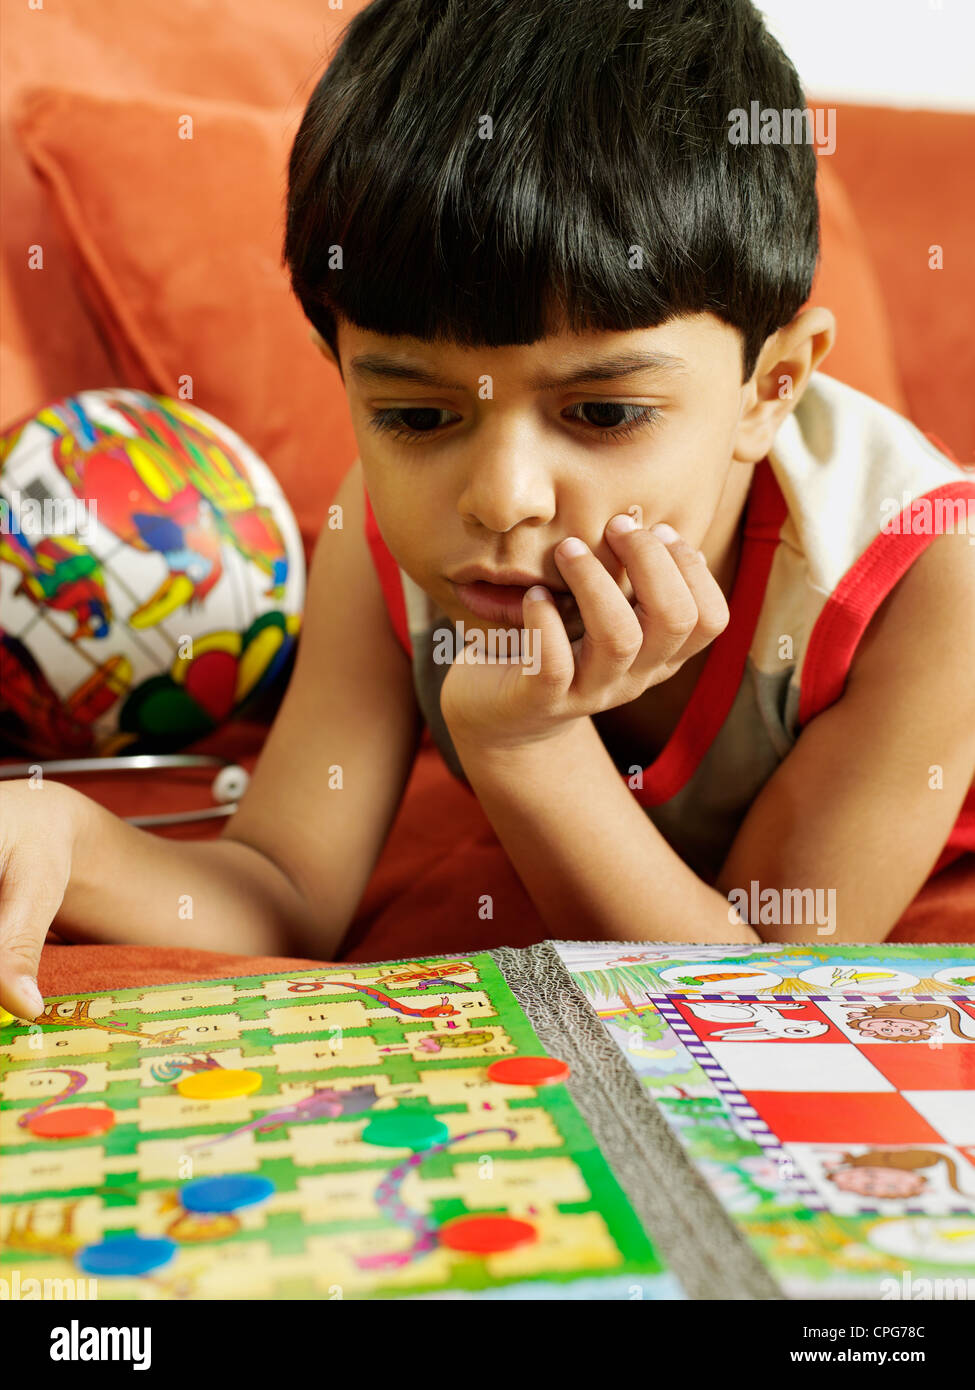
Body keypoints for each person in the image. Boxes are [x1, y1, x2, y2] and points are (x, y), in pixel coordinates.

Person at [2, 0, 973, 1021]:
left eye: (601, 411)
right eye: (417, 415)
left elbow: (765, 998)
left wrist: (529, 749)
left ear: (770, 388)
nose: (500, 498)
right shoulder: (381, 531)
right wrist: (70, 838)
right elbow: (284, 891)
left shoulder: (915, 577)